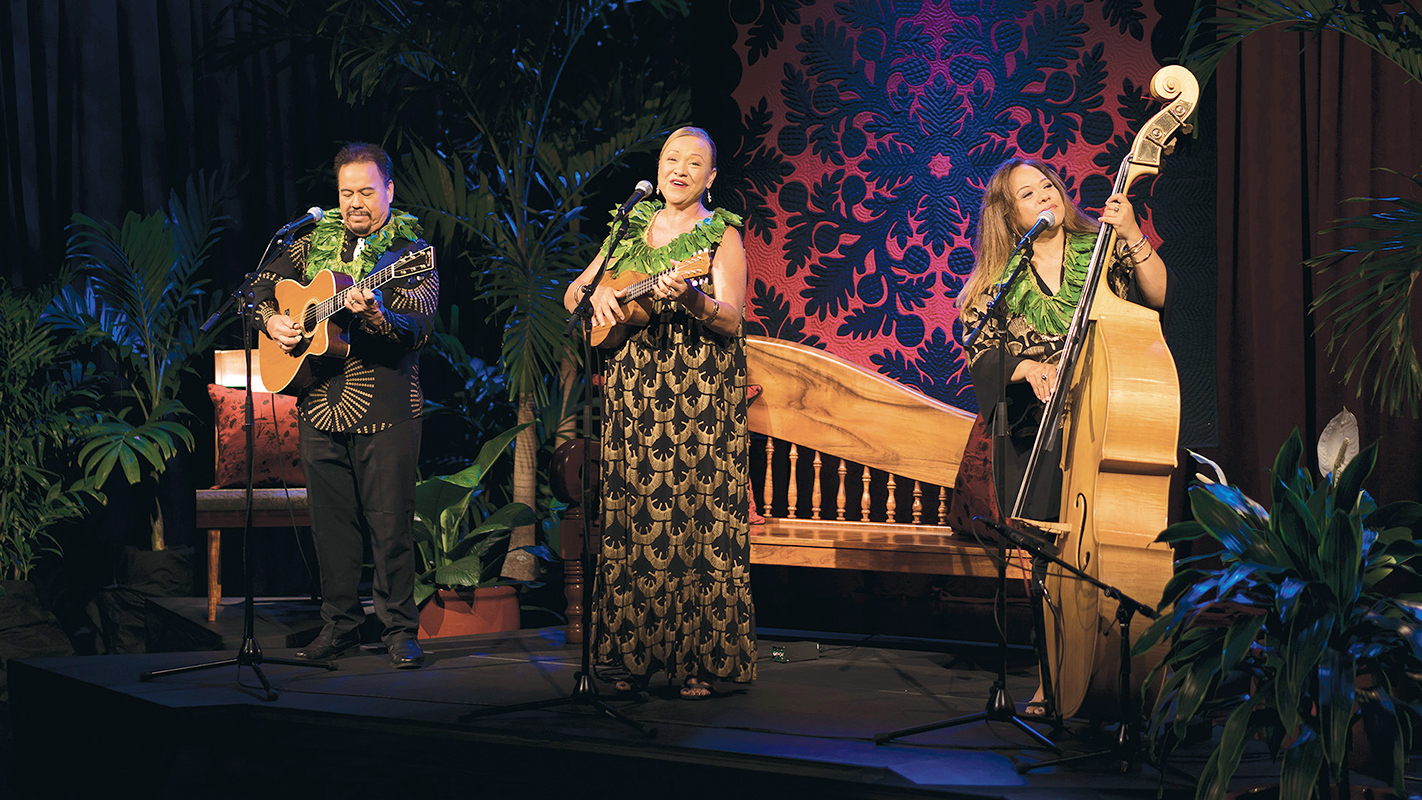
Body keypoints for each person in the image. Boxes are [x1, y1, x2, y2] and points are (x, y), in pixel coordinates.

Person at [563, 126, 756, 700]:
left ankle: (698, 661)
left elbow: (731, 318)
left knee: (694, 522)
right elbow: (575, 295)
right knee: (632, 519)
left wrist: (690, 299)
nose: (679, 169)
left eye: (694, 163)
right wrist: (597, 296)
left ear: (710, 178)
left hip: (698, 393)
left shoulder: (718, 235)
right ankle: (628, 657)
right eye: (672, 158)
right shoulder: (627, 229)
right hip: (632, 392)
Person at [253, 142, 438, 668]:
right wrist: (273, 322)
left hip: (386, 402)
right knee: (330, 524)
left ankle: (400, 630)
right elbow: (257, 291)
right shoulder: (310, 241)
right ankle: (340, 626)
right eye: (346, 193)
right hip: (318, 402)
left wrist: (374, 312)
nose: (355, 203)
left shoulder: (410, 253)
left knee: (389, 523)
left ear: (390, 191)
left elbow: (417, 329)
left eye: (366, 191)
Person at [950, 158, 1169, 526]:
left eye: (1047, 185)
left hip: (1106, 410)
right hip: (1035, 429)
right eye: (1028, 194)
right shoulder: (994, 284)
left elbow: (1159, 296)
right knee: (1040, 529)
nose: (1044, 196)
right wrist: (1030, 368)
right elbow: (982, 352)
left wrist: (1131, 233)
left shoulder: (1105, 250)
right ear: (1008, 215)